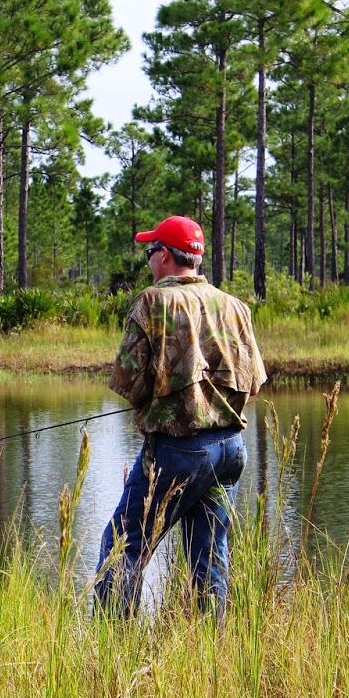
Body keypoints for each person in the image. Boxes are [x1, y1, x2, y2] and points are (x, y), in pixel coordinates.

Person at [96, 215, 267, 619]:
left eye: (150, 250)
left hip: (177, 453)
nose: (149, 258)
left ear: (167, 257)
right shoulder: (235, 306)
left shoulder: (153, 301)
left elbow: (128, 381)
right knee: (210, 558)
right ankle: (212, 651)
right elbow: (254, 384)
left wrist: (164, 400)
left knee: (123, 545)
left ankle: (109, 650)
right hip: (230, 452)